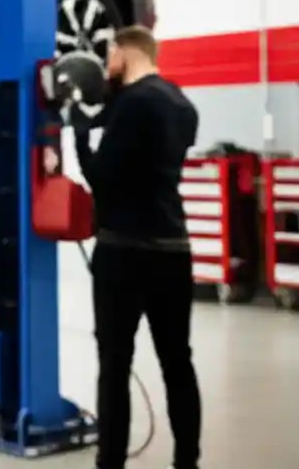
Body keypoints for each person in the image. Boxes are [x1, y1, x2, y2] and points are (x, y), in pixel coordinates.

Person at [68, 26, 202, 469]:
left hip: (124, 251)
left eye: (110, 56)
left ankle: (111, 464)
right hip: (174, 248)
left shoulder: (132, 104)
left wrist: (78, 138)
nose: (107, 65)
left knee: (115, 363)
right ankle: (187, 461)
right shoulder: (182, 104)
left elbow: (104, 179)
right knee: (177, 361)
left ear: (125, 53)